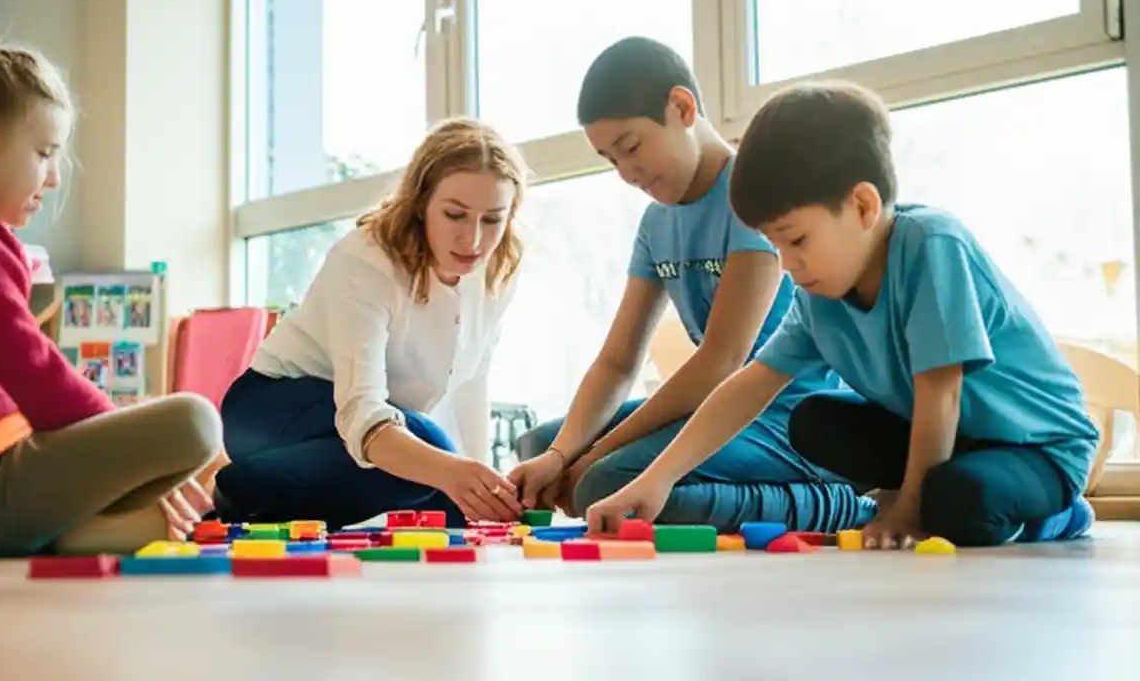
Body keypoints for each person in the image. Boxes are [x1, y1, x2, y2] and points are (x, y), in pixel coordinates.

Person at [587, 80, 1099, 548]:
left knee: (956, 506)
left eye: (797, 240)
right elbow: (751, 384)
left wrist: (912, 513)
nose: (788, 264)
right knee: (814, 422)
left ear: (862, 206)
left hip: (1037, 446)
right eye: (775, 246)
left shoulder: (931, 245)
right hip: (956, 440)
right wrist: (655, 480)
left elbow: (941, 390)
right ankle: (922, 489)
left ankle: (1059, 514)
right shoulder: (820, 291)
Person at [0, 45, 222, 558]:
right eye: (45, 154)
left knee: (153, 522)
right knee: (195, 420)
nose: (53, 179)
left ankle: (93, 530)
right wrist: (141, 458)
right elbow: (44, 385)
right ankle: (92, 524)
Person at [505, 37, 873, 532]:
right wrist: (560, 452)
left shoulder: (753, 192)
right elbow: (617, 361)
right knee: (540, 447)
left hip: (785, 413)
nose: (627, 173)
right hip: (713, 408)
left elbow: (722, 360)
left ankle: (848, 503)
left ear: (681, 107)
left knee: (603, 480)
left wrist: (594, 454)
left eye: (631, 147)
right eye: (610, 160)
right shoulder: (656, 223)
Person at [214, 118, 527, 529]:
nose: (472, 240)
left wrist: (484, 488)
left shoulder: (498, 268)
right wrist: (451, 470)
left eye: (492, 220)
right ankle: (238, 491)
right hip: (270, 407)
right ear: (420, 205)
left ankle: (267, 511)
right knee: (431, 451)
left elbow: (471, 383)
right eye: (455, 215)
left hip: (371, 426)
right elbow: (363, 410)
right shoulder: (366, 260)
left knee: (451, 509)